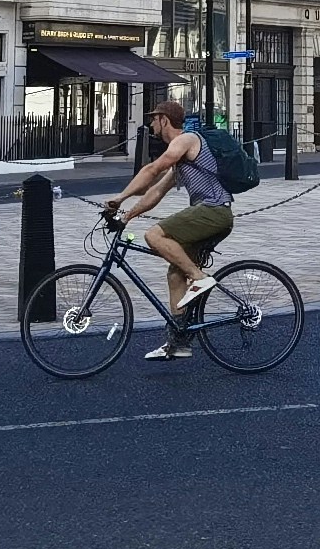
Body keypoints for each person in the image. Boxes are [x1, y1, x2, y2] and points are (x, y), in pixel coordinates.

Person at [101, 97, 237, 361]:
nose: (151, 124)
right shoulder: (182, 159)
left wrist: (119, 197)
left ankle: (199, 279)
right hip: (210, 215)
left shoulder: (186, 140)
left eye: (154, 119)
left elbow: (152, 169)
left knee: (154, 235)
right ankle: (179, 341)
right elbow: (156, 192)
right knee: (175, 275)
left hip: (214, 211)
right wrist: (127, 215)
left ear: (164, 120)